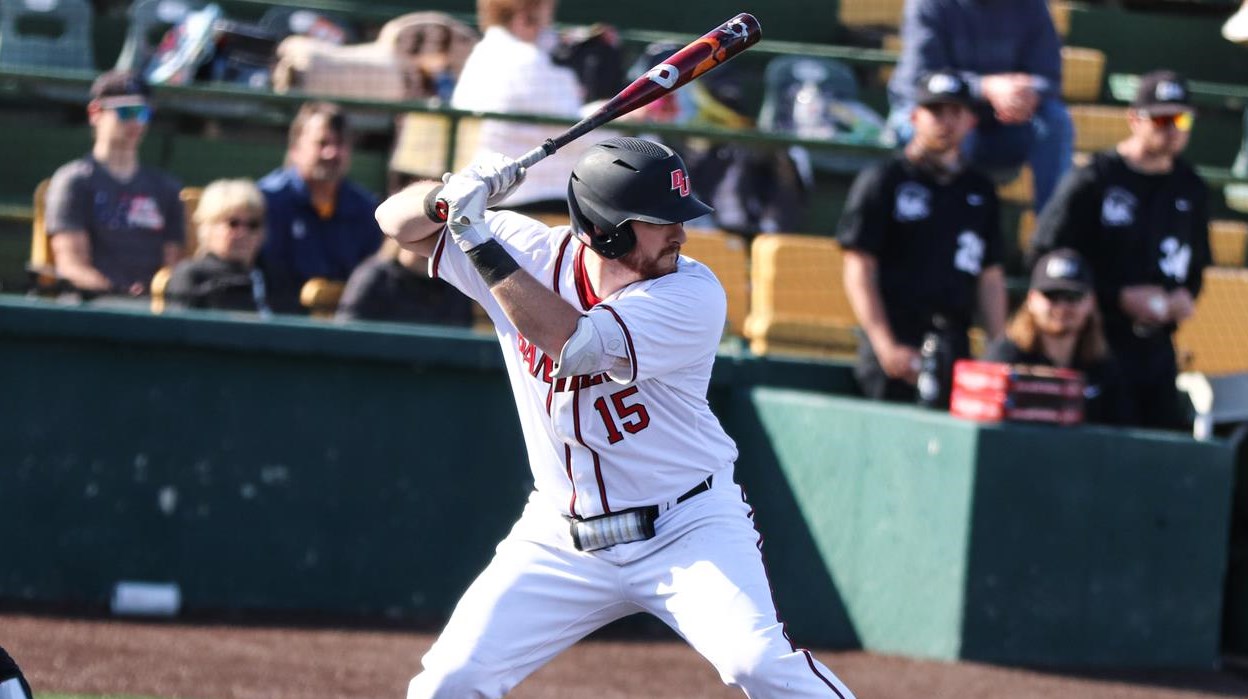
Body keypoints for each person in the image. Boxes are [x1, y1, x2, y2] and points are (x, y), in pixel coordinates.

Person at [374, 138, 857, 699]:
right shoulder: (526, 250)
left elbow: (572, 343)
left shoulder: (693, 292)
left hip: (686, 524)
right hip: (559, 534)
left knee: (757, 662)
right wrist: (449, 195)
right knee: (449, 682)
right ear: (607, 229)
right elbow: (393, 222)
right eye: (660, 221)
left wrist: (477, 237)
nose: (680, 232)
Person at [1028, 70, 1211, 430]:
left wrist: (1183, 297)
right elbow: (1044, 255)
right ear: (1134, 119)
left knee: (1164, 443)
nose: (1171, 128)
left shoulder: (1191, 188)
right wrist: (1117, 297)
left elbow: (1197, 265)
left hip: (1157, 345)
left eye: (1181, 118)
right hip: (1096, 343)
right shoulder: (1095, 179)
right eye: (1161, 118)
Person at [838, 70, 1008, 405]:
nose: (945, 122)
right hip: (894, 341)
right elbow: (859, 268)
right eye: (935, 111)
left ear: (971, 121)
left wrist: (996, 348)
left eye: (955, 112)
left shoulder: (981, 190)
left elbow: (990, 276)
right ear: (915, 116)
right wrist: (885, 346)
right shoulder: (884, 180)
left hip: (954, 342)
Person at [886, 0, 1073, 211]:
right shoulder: (929, 4)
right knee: (957, 124)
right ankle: (949, 226)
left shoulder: (1032, 5)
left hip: (1002, 123)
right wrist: (987, 87)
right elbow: (923, 79)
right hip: (934, 115)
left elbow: (1049, 77)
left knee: (1055, 119)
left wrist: (1026, 92)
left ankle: (1053, 234)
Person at [45, 70, 185, 297]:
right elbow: (71, 265)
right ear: (95, 112)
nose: (135, 121)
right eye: (126, 111)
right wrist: (116, 295)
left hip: (154, 310)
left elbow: (172, 265)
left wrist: (152, 296)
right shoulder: (74, 181)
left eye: (143, 113)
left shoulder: (166, 188)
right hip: (90, 308)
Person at [450, 0, 588, 211]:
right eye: (547, 13)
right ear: (524, 18)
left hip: (497, 190)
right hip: (529, 197)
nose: (550, 22)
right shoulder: (525, 60)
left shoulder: (484, 54)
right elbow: (572, 131)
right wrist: (625, 121)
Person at [258, 101, 383, 313]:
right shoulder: (265, 202)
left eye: (340, 143)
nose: (331, 153)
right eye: (322, 143)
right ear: (295, 148)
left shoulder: (367, 210)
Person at [985, 248, 1128, 425]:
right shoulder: (1007, 359)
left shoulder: (1103, 368)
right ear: (1031, 299)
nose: (1062, 307)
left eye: (1072, 297)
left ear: (1091, 302)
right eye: (1051, 296)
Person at [164, 178, 271, 314]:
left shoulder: (271, 277)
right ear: (208, 226)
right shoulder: (192, 276)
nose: (243, 232)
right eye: (233, 223)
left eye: (253, 224)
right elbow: (181, 331)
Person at [335, 237, 474, 326]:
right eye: (422, 239)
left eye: (439, 240)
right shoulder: (374, 278)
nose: (429, 249)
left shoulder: (455, 285)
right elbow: (349, 333)